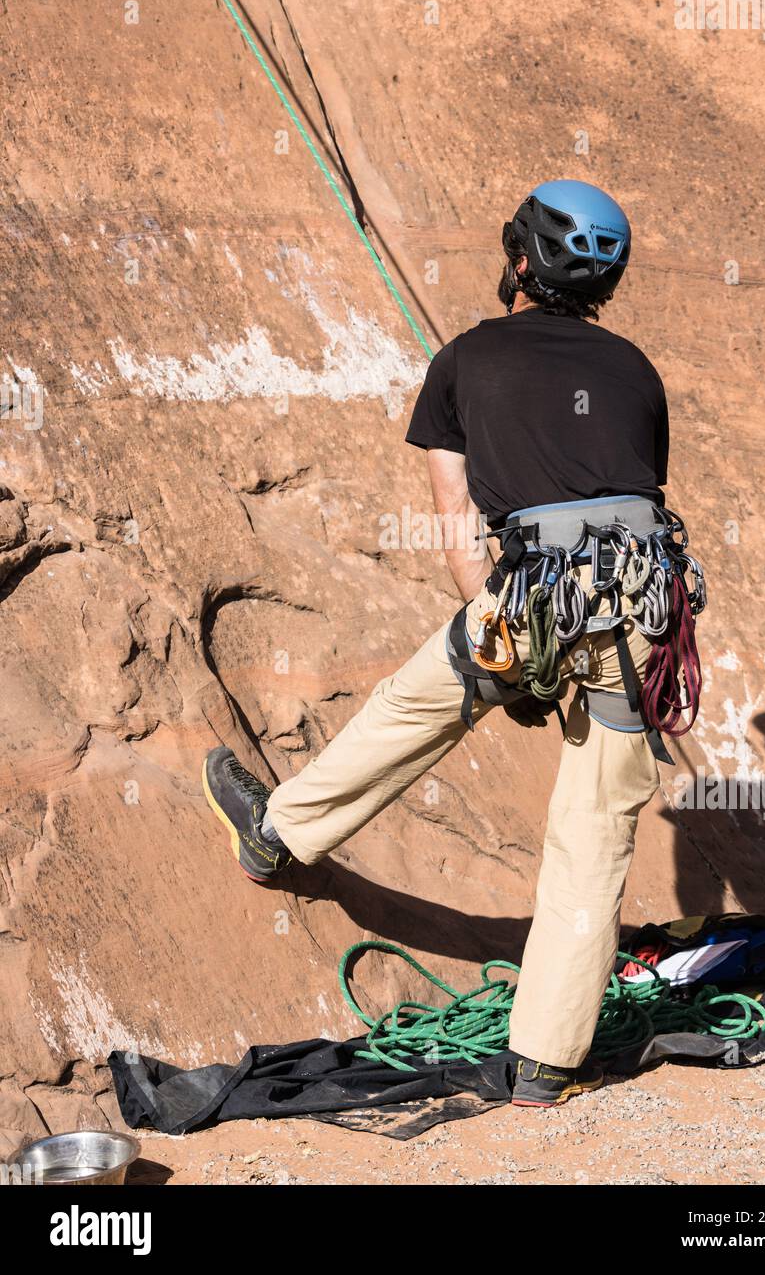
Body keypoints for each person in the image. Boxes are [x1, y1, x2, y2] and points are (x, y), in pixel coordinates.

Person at [203, 179, 676, 1107]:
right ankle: (545, 1060)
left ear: (519, 260)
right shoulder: (635, 371)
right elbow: (625, 501)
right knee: (596, 826)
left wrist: (506, 656)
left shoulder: (466, 359)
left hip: (536, 589)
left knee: (421, 703)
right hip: (640, 605)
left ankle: (279, 835)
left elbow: (459, 523)